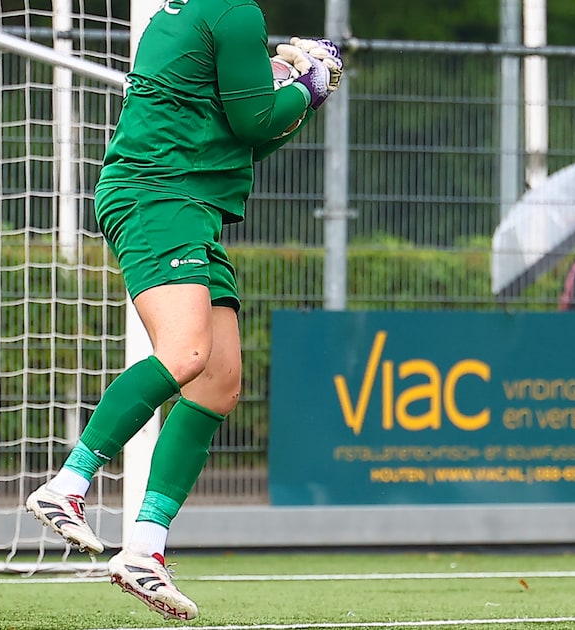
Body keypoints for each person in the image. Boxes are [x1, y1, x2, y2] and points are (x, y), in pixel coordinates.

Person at [25, 3, 343, 621]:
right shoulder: (233, 12)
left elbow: (238, 139)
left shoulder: (215, 13)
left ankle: (143, 550)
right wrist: (304, 88)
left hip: (190, 202)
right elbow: (255, 121)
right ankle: (67, 485)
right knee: (187, 352)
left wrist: (292, 90)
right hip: (158, 195)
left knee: (219, 382)